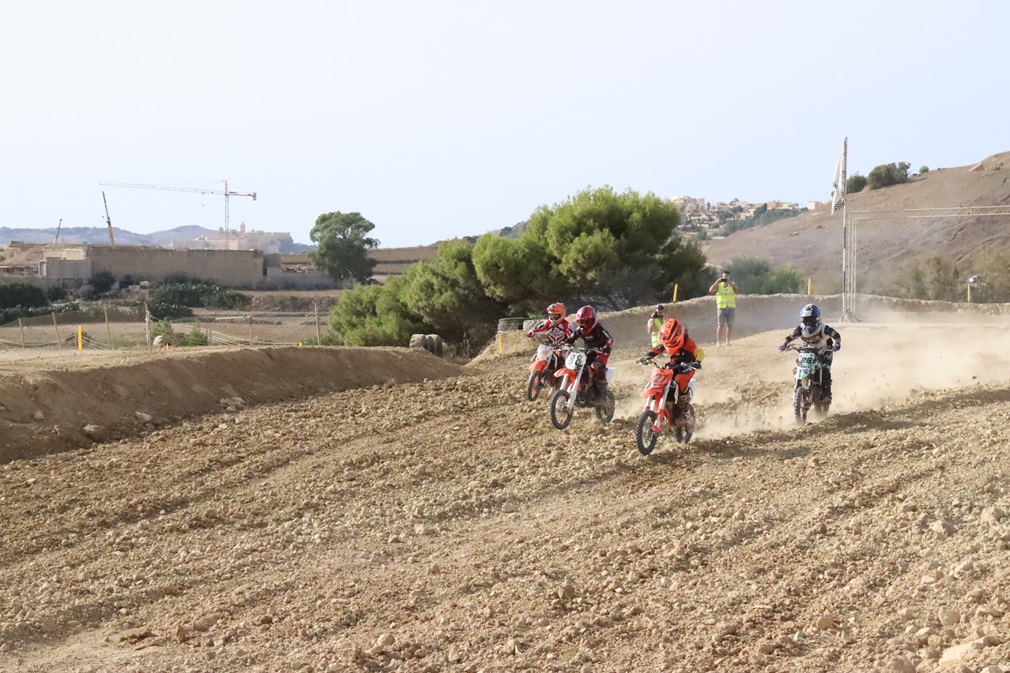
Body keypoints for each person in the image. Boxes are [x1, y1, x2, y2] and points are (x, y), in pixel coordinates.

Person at [778, 303, 841, 400]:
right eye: (805, 319)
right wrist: (784, 344)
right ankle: (798, 389)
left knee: (825, 369)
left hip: (825, 351)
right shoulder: (801, 329)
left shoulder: (823, 328)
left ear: (817, 318)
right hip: (809, 351)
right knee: (799, 366)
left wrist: (837, 344)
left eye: (810, 319)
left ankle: (827, 394)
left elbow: (836, 335)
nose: (808, 322)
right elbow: (790, 337)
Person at [637, 317, 702, 406]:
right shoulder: (668, 341)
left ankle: (683, 403)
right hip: (674, 364)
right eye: (667, 343)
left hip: (688, 366)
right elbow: (657, 349)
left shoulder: (688, 343)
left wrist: (697, 362)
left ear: (678, 337)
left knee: (679, 378)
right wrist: (648, 356)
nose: (669, 345)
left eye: (671, 342)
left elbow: (699, 352)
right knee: (659, 374)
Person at [562, 305, 614, 404]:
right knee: (578, 366)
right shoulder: (579, 330)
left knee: (598, 366)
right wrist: (564, 343)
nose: (584, 325)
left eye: (587, 322)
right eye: (581, 322)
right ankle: (584, 386)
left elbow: (610, 339)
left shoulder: (599, 328)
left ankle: (602, 395)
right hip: (588, 351)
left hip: (601, 352)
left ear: (593, 320)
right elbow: (571, 338)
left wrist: (606, 348)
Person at [708, 270, 740, 346]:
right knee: (720, 325)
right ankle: (718, 342)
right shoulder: (719, 284)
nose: (725, 278)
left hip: (731, 307)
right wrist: (717, 282)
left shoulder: (732, 284)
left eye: (727, 277)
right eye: (724, 277)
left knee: (730, 325)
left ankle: (727, 341)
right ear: (722, 277)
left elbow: (737, 293)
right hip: (721, 307)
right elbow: (711, 290)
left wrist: (731, 284)